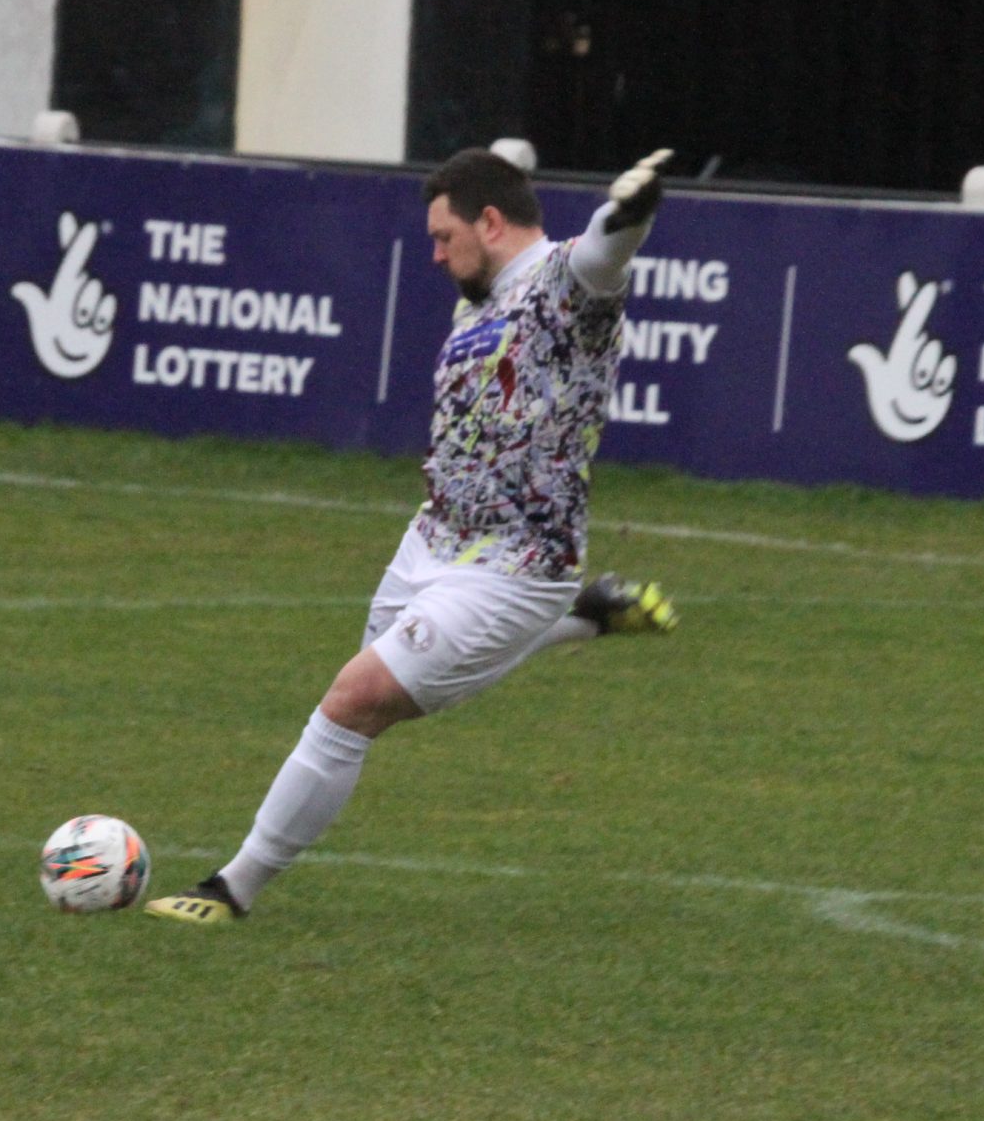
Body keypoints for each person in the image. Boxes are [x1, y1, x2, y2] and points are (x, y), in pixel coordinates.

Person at [146, 147, 681, 925]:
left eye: (443, 236)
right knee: (381, 699)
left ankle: (231, 889)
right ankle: (588, 615)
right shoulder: (484, 294)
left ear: (490, 221)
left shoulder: (565, 281)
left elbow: (606, 249)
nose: (433, 256)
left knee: (353, 701)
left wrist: (632, 209)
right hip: (431, 542)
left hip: (516, 565)